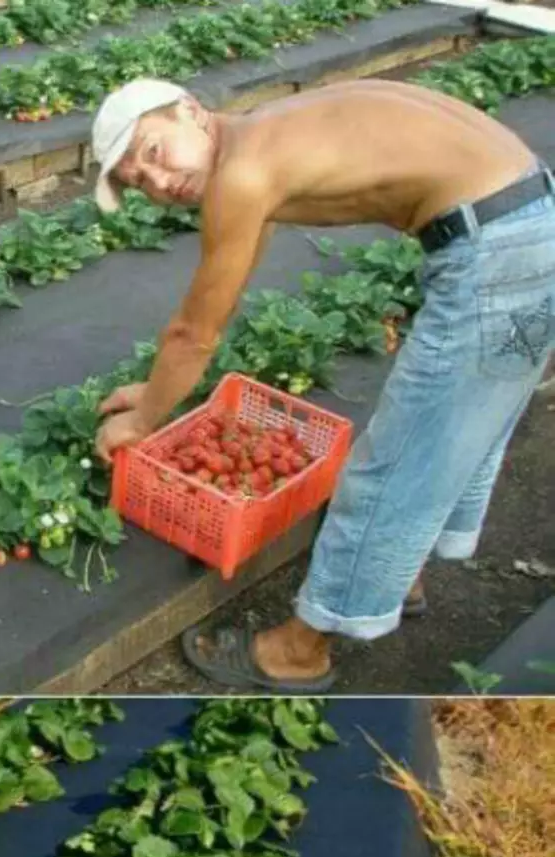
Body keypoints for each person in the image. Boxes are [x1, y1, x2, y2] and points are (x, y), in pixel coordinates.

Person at [91, 77, 555, 691]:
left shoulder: (244, 174)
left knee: (398, 458)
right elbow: (223, 293)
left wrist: (143, 420)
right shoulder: (262, 140)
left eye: (153, 151)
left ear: (192, 112)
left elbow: (194, 335)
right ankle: (396, 574)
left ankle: (299, 652)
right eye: (137, 181)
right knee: (457, 429)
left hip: (499, 252)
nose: (158, 181)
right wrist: (155, 390)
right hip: (528, 217)